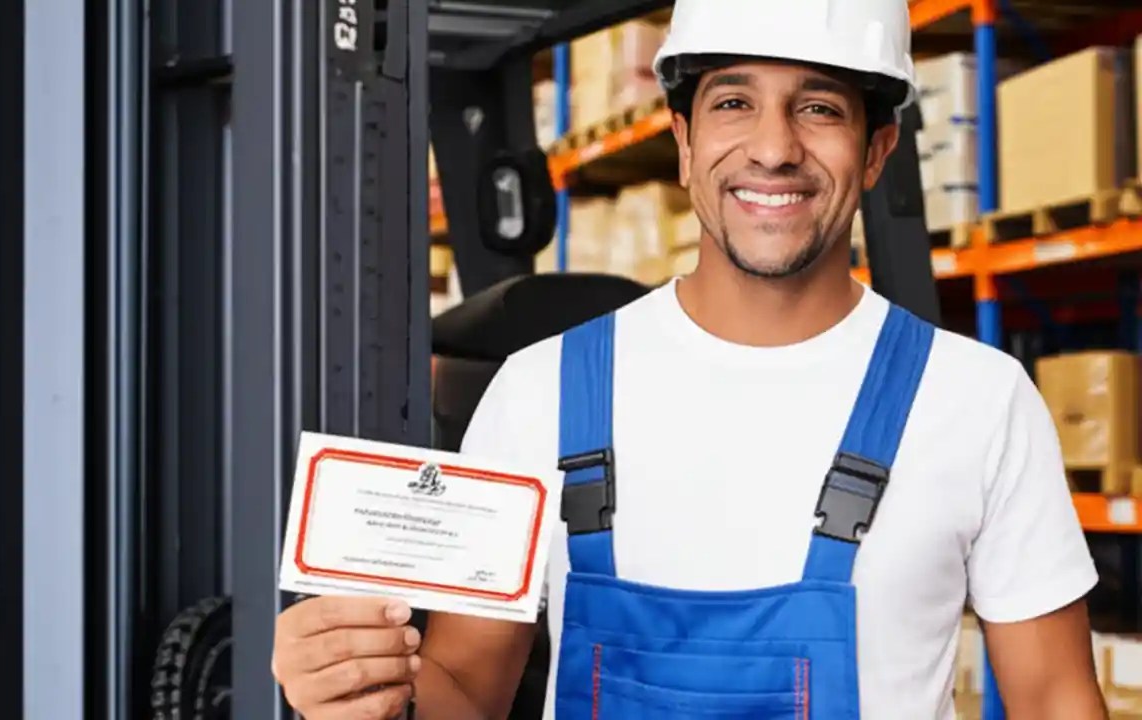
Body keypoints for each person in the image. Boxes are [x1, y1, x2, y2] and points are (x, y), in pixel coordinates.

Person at [271, 0, 1108, 717]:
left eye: (819, 107)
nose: (774, 148)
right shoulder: (538, 393)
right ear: (682, 138)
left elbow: (1057, 700)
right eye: (734, 102)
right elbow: (463, 688)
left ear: (879, 148)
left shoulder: (978, 400)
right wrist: (370, 690)